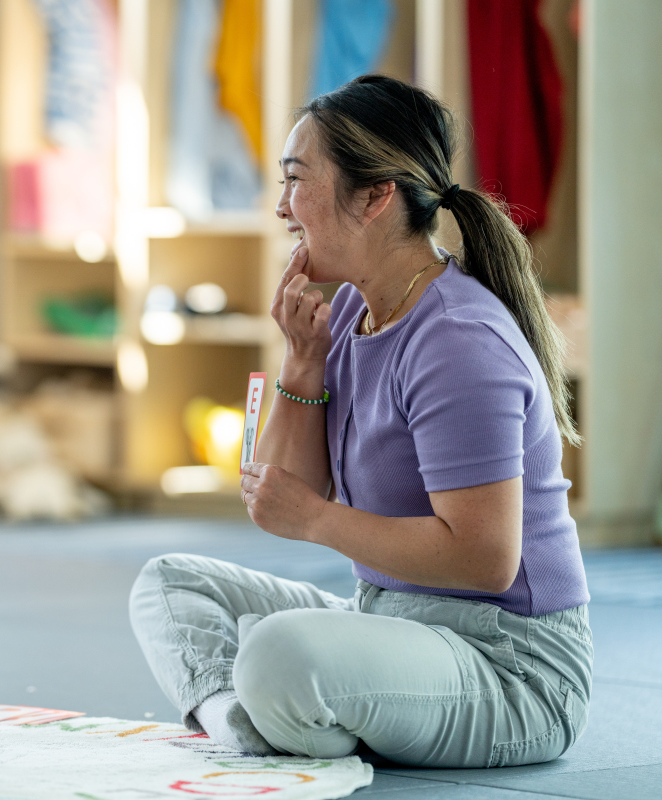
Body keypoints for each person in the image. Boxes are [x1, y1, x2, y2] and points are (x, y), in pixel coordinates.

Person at [129, 75, 592, 768]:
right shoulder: (349, 310)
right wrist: (303, 366)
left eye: (296, 180)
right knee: (168, 583)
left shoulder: (460, 340)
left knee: (280, 655)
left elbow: (485, 560)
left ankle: (275, 708)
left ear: (375, 195)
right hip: (389, 616)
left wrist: (317, 521)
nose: (282, 207)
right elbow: (279, 497)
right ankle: (251, 721)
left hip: (511, 667)